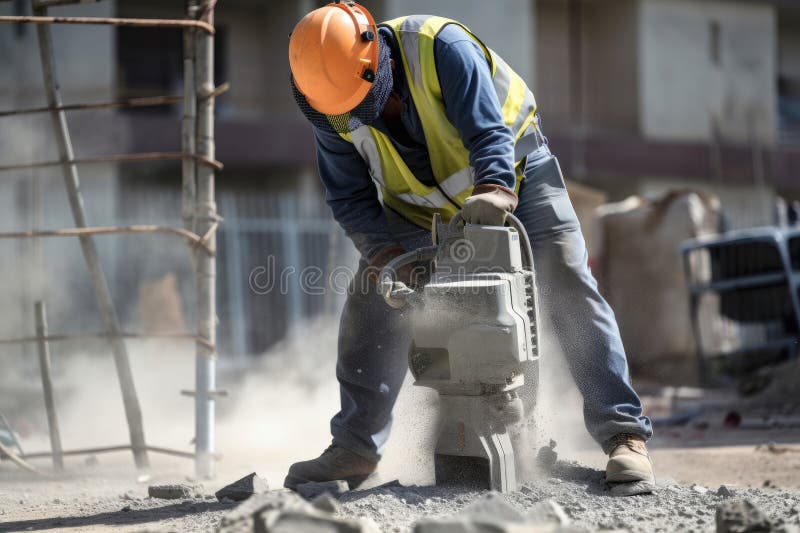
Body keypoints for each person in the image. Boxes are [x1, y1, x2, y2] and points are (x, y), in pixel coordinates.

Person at [285, 1, 653, 490]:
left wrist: (495, 189)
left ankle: (624, 437)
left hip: (517, 173)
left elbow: (488, 131)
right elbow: (350, 199)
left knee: (566, 279)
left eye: (360, 99)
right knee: (373, 301)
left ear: (378, 60)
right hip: (415, 210)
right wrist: (388, 259)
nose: (352, 113)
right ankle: (355, 447)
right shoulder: (329, 108)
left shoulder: (440, 48)